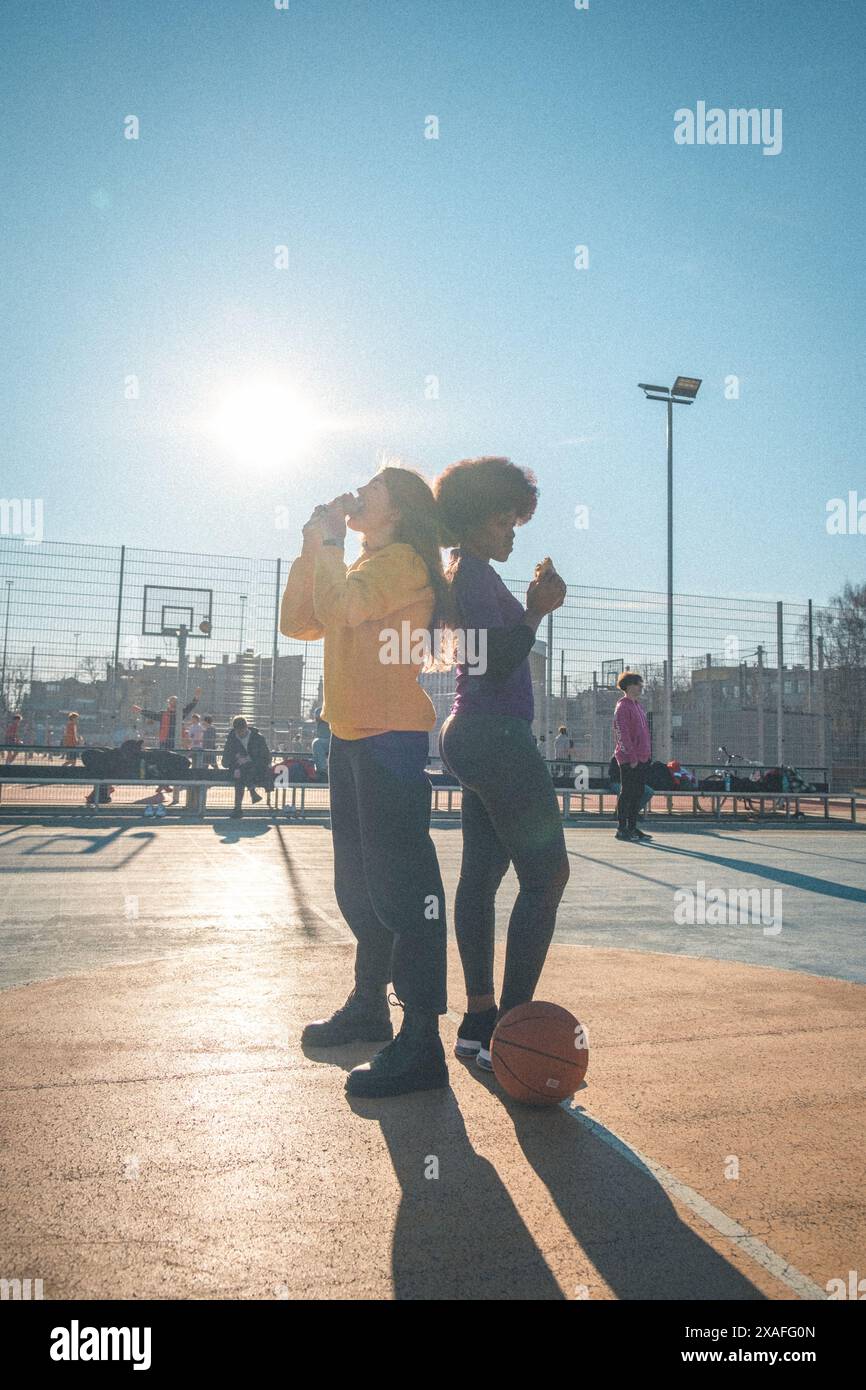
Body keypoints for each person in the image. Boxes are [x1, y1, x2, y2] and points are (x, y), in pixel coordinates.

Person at [280, 465, 450, 1099]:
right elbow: (300, 620)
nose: (360, 489)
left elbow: (343, 609)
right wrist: (313, 544)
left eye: (374, 485)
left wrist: (328, 543)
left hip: (390, 742)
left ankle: (423, 1039)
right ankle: (370, 1006)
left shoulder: (403, 562)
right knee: (357, 887)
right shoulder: (359, 565)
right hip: (349, 739)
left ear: (398, 511)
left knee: (406, 894)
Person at [434, 455, 570, 1071]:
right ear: (474, 518)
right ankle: (513, 1031)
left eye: (518, 518)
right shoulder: (475, 576)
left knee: (482, 880)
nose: (514, 529)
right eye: (504, 517)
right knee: (547, 877)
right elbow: (491, 662)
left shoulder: (471, 573)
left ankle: (480, 1019)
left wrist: (529, 609)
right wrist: (537, 610)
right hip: (496, 736)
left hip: (473, 733)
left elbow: (485, 656)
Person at [132, 688, 201, 805]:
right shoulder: (163, 714)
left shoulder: (180, 714)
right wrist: (140, 710)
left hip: (176, 743)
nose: (174, 704)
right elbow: (152, 715)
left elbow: (190, 707)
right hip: (164, 742)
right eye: (172, 702)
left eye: (176, 702)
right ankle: (163, 784)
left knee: (173, 764)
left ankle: (164, 784)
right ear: (169, 703)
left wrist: (196, 698)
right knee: (162, 763)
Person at [613, 671, 653, 842]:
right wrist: (632, 757)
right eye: (638, 683)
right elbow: (622, 734)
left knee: (637, 794)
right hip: (630, 760)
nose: (641, 686)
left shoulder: (638, 706)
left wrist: (645, 755)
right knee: (627, 793)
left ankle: (632, 827)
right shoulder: (623, 707)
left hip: (643, 758)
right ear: (629, 686)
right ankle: (621, 829)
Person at [222, 716, 272, 818]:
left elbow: (266, 758)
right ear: (234, 730)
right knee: (241, 773)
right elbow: (225, 761)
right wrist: (236, 764)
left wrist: (249, 759)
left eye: (242, 731)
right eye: (238, 732)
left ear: (247, 728)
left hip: (256, 770)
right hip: (239, 771)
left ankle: (238, 809)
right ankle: (252, 792)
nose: (240, 734)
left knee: (242, 774)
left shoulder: (258, 738)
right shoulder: (231, 739)